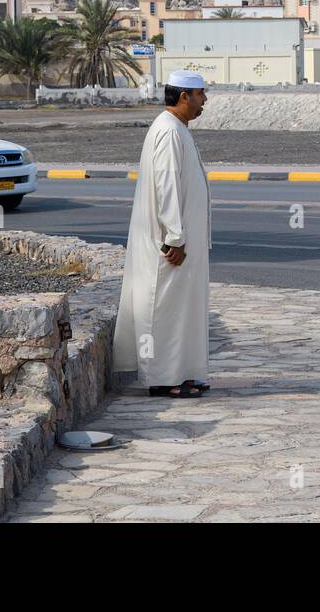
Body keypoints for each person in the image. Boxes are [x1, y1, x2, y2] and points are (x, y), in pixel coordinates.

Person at [113, 70, 212, 398]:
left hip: (179, 241)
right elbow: (167, 186)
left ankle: (183, 373)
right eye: (200, 94)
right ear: (184, 96)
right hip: (169, 245)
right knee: (165, 311)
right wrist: (174, 237)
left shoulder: (175, 128)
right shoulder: (169, 131)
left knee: (181, 310)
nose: (204, 101)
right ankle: (165, 379)